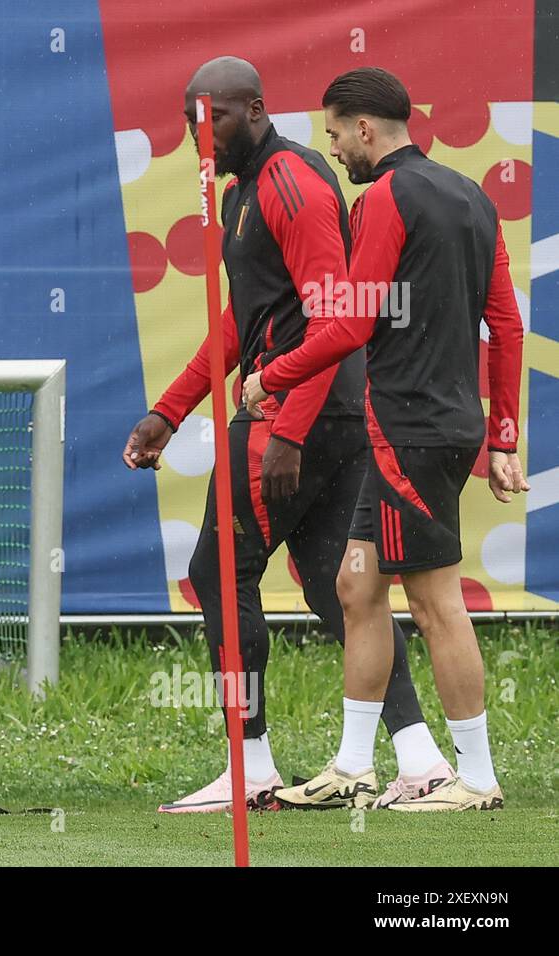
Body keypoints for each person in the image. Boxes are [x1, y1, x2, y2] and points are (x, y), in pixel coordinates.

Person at [124, 57, 445, 813]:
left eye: (217, 118)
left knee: (216, 575)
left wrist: (288, 430)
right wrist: (168, 411)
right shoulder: (241, 193)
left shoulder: (293, 183)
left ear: (257, 109)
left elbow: (331, 315)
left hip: (301, 414)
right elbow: (246, 321)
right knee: (340, 587)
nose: (202, 135)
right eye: (190, 121)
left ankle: (253, 767)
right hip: (318, 414)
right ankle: (420, 758)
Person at [245, 67, 525, 810]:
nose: (333, 149)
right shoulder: (473, 195)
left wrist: (272, 375)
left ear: (365, 128)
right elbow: (509, 323)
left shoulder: (384, 198)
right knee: (354, 585)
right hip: (440, 430)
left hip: (408, 434)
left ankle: (476, 780)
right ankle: (352, 765)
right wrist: (501, 437)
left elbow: (351, 323)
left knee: (436, 606)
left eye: (335, 134)